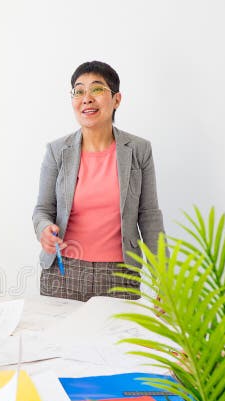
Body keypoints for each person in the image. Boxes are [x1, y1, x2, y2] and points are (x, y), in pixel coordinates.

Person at [32, 60, 165, 302]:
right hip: (63, 271)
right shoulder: (56, 150)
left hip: (120, 273)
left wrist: (164, 282)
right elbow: (42, 210)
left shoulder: (138, 150)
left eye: (96, 89)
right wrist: (44, 230)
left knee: (115, 340)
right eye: (79, 91)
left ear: (116, 99)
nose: (86, 98)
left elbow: (149, 216)